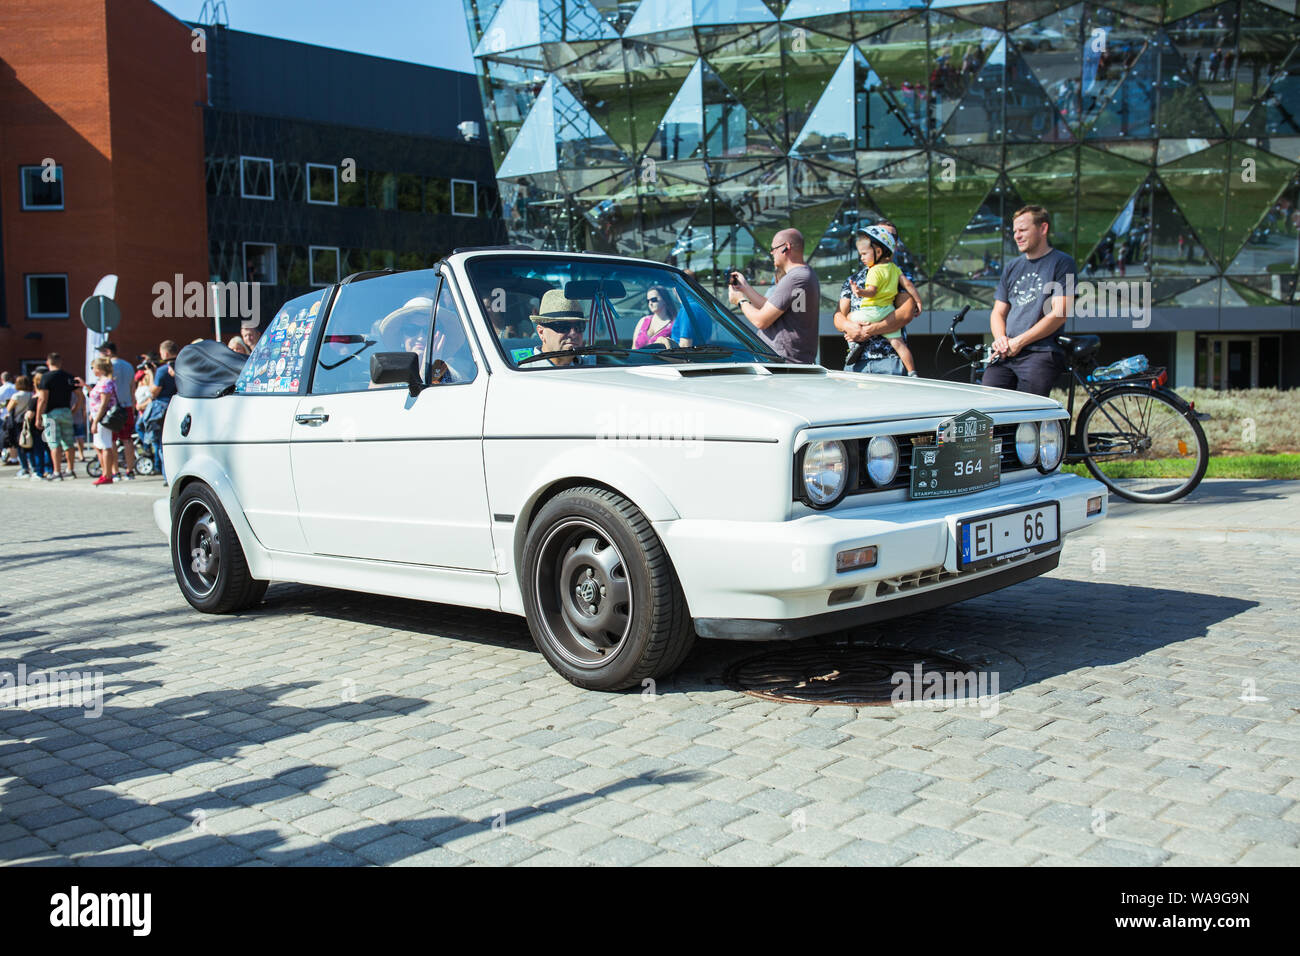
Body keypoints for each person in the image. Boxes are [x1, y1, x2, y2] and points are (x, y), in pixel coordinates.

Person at [984, 205, 1075, 396]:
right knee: (988, 407)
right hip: (1006, 353)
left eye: (1023, 230)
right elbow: (998, 312)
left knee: (1029, 415)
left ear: (1043, 229)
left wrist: (1019, 342)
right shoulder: (1012, 267)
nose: (1017, 235)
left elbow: (1060, 314)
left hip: (1040, 352)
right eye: (1015, 231)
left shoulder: (1062, 262)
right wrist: (1001, 339)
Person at [727, 227, 819, 364]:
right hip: (785, 361)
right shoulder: (804, 274)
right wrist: (744, 288)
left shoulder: (795, 278)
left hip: (783, 363)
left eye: (773, 249)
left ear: (786, 247)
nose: (771, 253)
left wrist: (740, 301)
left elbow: (761, 321)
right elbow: (770, 307)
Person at [841, 227, 919, 376]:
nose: (862, 256)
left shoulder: (892, 272)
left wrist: (866, 331)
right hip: (858, 363)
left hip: (888, 360)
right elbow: (839, 316)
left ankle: (853, 345)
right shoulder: (853, 279)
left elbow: (905, 313)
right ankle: (912, 372)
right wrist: (848, 327)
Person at [34, 352, 78, 480]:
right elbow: (80, 396)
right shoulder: (68, 376)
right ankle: (70, 469)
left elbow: (42, 399)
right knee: (69, 443)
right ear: (60, 362)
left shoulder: (46, 378)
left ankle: (57, 472)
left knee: (54, 443)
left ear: (48, 363)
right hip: (66, 411)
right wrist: (74, 409)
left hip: (50, 414)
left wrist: (38, 417)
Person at [98, 342, 137, 478]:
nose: (99, 355)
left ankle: (115, 471)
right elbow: (133, 387)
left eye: (101, 352)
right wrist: (132, 404)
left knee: (112, 440)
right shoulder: (128, 366)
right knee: (127, 439)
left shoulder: (107, 368)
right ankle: (130, 470)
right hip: (127, 406)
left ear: (108, 352)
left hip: (112, 408)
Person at [526, 291, 595, 367]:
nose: (573, 333)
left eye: (579, 326)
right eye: (563, 326)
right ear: (541, 332)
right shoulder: (522, 374)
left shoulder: (595, 366)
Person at [143, 340, 179, 482]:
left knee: (160, 442)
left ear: (164, 353)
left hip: (162, 408)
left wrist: (151, 375)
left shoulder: (162, 370)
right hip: (178, 405)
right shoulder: (184, 366)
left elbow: (154, 392)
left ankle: (166, 475)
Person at [88, 357, 119, 486]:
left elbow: (104, 404)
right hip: (99, 417)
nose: (92, 370)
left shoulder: (106, 382)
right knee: (99, 445)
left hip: (103, 419)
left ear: (99, 369)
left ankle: (107, 474)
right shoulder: (103, 381)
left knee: (105, 445)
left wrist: (96, 420)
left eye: (93, 368)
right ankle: (105, 472)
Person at [6, 376, 38, 478]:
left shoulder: (16, 396)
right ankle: (34, 467)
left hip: (18, 423)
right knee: (30, 444)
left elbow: (9, 408)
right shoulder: (31, 395)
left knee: (21, 445)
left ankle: (24, 468)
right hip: (30, 421)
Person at [70, 377, 89, 464]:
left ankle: (72, 456)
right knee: (79, 437)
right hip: (79, 417)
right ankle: (81, 454)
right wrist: (85, 418)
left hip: (71, 417)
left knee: (70, 439)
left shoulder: (70, 393)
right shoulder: (82, 394)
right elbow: (84, 408)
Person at [0, 371, 15, 465]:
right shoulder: (15, 388)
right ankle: (14, 457)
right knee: (13, 437)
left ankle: (4, 455)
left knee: (3, 437)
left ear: (2, 379)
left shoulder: (1, 389)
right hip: (14, 416)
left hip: (3, 416)